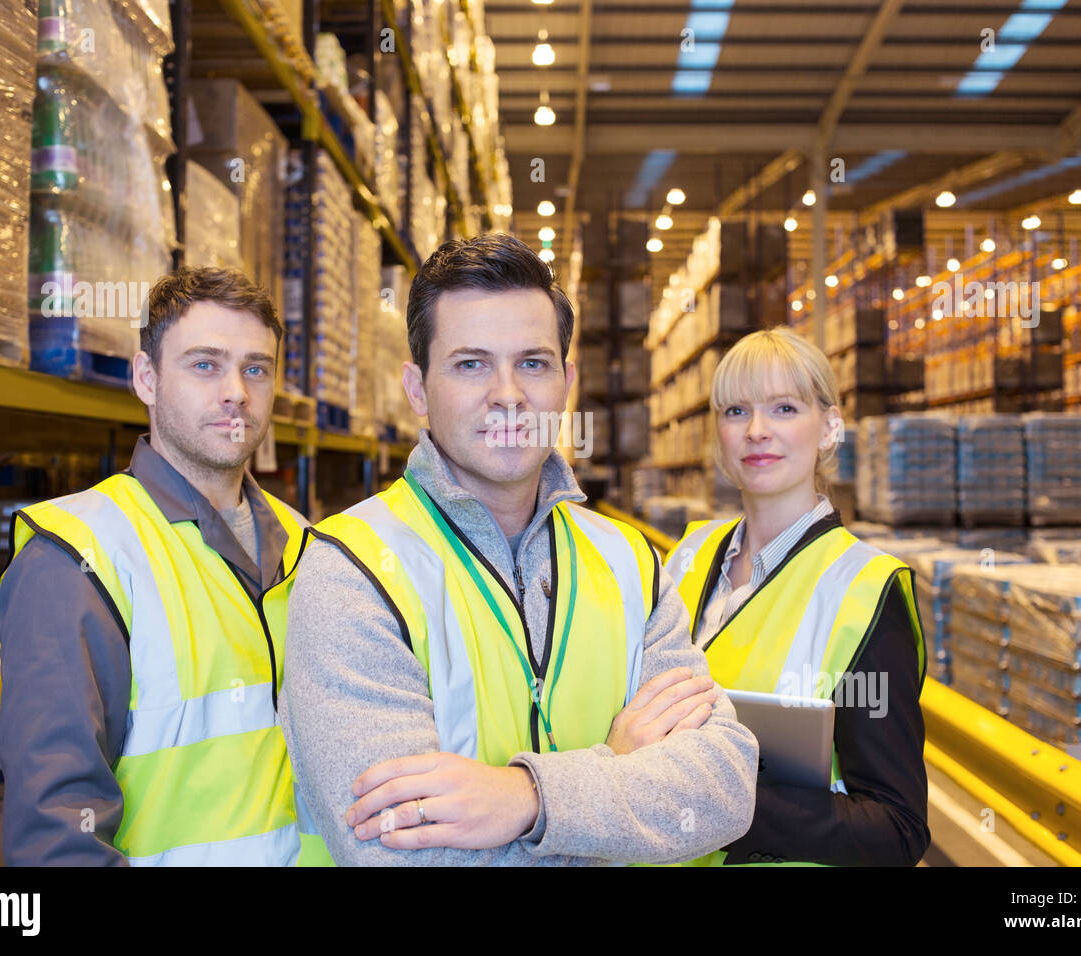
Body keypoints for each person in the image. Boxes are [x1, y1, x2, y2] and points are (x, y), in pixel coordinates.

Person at [282, 234, 758, 865]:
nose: (508, 395)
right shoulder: (353, 571)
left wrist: (527, 799)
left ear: (566, 381)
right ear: (417, 389)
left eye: (532, 363)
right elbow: (405, 855)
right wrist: (614, 771)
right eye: (471, 364)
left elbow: (721, 790)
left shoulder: (628, 562)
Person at [0, 267, 325, 865]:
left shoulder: (307, 544)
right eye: (205, 364)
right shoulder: (77, 555)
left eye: (256, 368)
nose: (236, 392)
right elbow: (57, 833)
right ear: (146, 378)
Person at [664, 327, 930, 866]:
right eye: (736, 411)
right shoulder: (684, 558)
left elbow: (896, 827)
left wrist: (719, 801)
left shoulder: (865, 591)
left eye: (784, 408)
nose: (757, 431)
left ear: (830, 427)